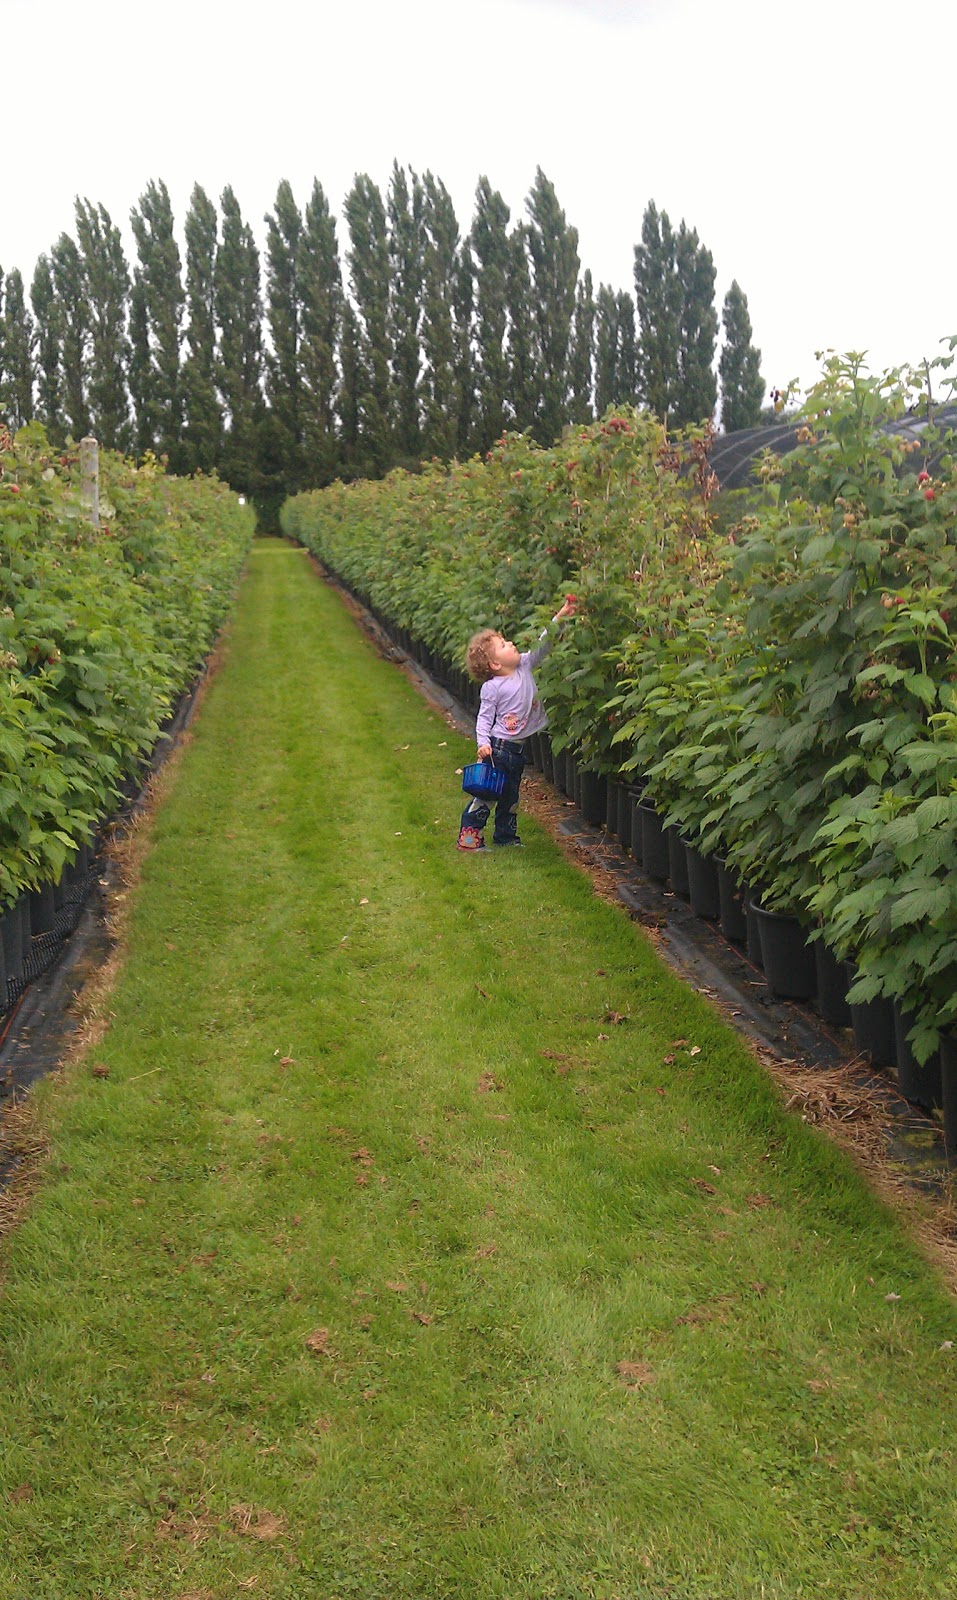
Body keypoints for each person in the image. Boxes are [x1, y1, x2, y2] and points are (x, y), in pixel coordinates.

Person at [457, 595, 578, 851]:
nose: (511, 643)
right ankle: (469, 837)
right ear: (495, 663)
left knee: (510, 797)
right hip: (499, 749)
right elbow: (484, 718)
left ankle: (505, 837)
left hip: (517, 749)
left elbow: (543, 643)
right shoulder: (492, 687)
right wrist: (482, 743)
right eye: (503, 645)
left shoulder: (524, 665)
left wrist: (560, 617)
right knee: (488, 794)